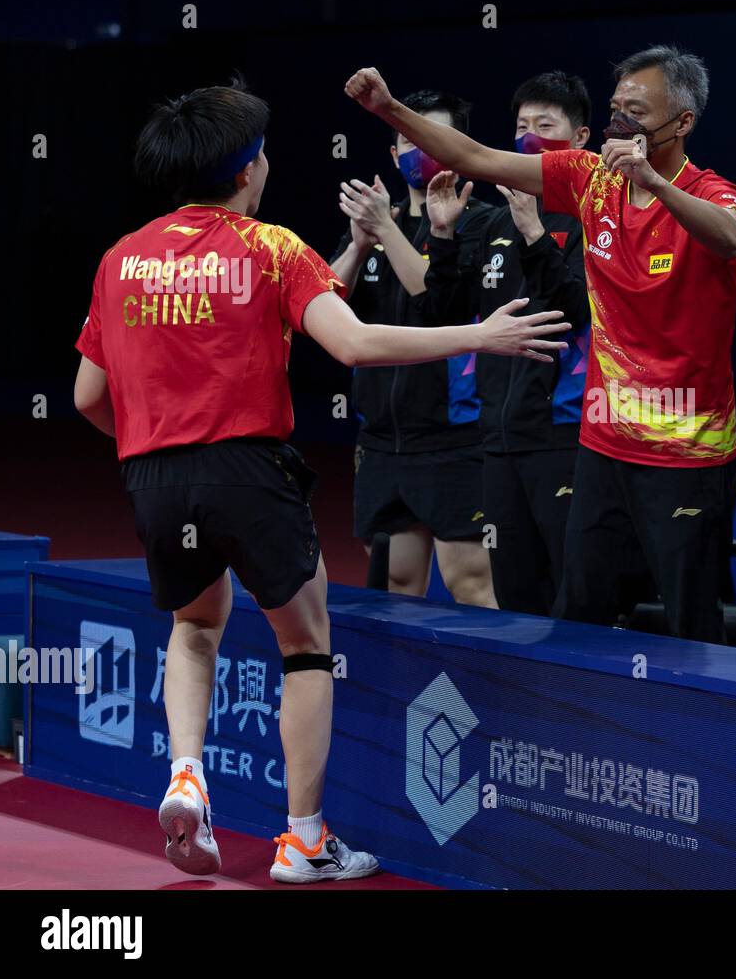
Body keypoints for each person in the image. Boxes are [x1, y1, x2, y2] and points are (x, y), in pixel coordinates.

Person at [72, 80, 568, 880]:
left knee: (195, 630)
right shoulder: (270, 247)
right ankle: (304, 841)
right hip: (248, 472)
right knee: (304, 646)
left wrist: (155, 446)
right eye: (261, 153)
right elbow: (357, 345)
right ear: (245, 173)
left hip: (154, 477)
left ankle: (188, 777)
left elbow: (87, 398)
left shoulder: (122, 256)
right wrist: (484, 332)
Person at [346, 46, 736, 643]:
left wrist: (654, 183)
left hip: (686, 447)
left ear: (682, 122)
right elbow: (476, 156)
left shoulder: (715, 193)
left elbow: (730, 239)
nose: (621, 123)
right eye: (616, 108)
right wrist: (388, 109)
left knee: (690, 616)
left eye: (636, 111)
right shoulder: (588, 178)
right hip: (603, 441)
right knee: (578, 605)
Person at [419, 71, 592, 615]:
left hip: (563, 435)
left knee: (573, 589)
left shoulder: (595, 220)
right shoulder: (490, 223)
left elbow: (574, 313)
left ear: (581, 139)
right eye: (522, 127)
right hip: (496, 438)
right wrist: (443, 238)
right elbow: (444, 318)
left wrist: (536, 232)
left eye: (546, 125)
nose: (530, 138)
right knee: (515, 593)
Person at [328, 90, 497, 605]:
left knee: (470, 580)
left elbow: (434, 301)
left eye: (426, 139)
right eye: (405, 140)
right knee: (395, 584)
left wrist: (385, 229)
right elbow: (326, 303)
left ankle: (490, 687)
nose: (414, 150)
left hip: (453, 438)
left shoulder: (482, 224)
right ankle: (401, 688)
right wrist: (359, 245)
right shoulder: (375, 225)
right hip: (381, 439)